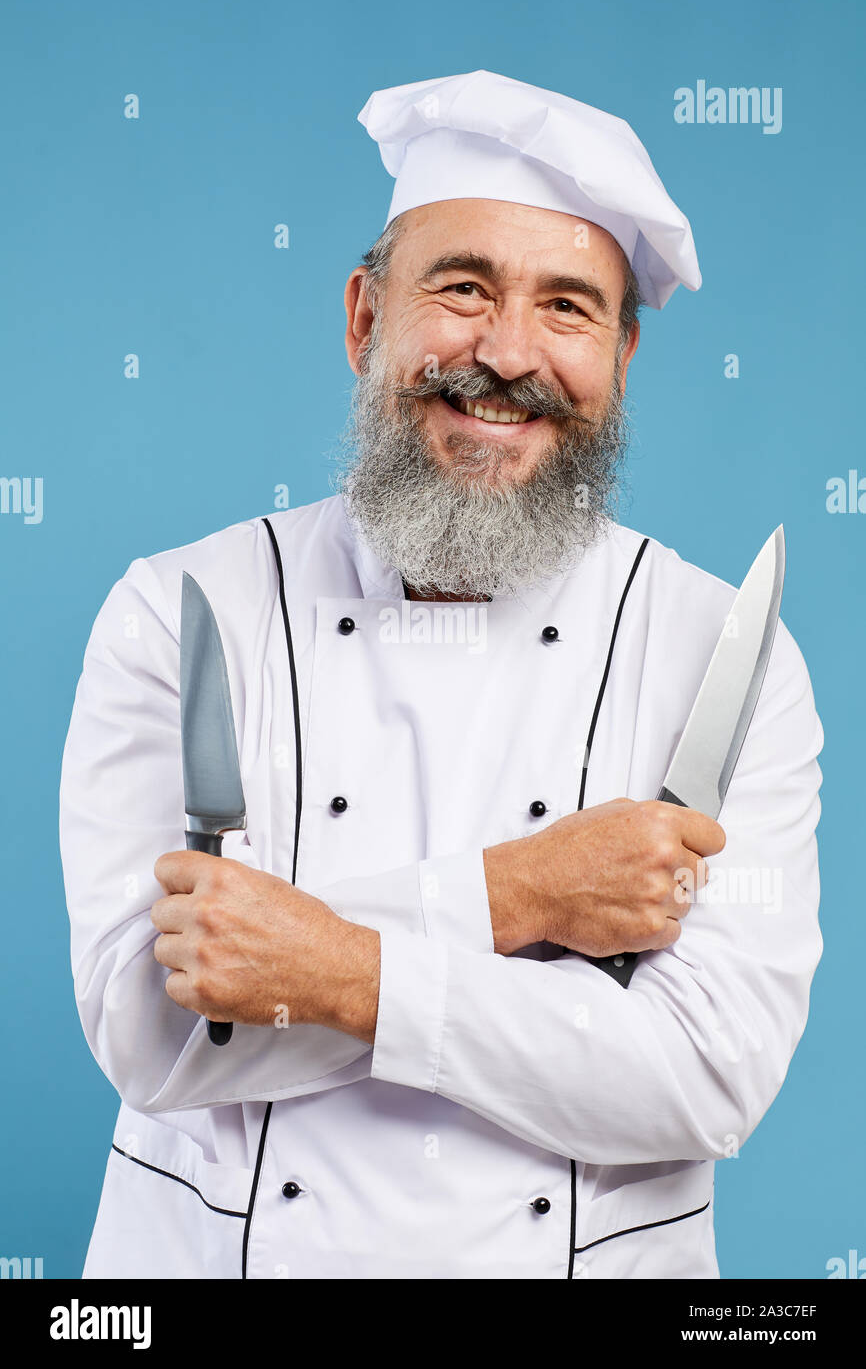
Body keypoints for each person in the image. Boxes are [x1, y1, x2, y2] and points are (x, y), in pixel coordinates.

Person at [59, 70, 823, 1279]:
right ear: (365, 317)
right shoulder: (182, 610)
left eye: (567, 309)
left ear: (619, 356)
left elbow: (702, 1079)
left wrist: (325, 969)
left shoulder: (719, 656)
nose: (505, 354)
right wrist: (520, 894)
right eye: (461, 288)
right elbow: (159, 1036)